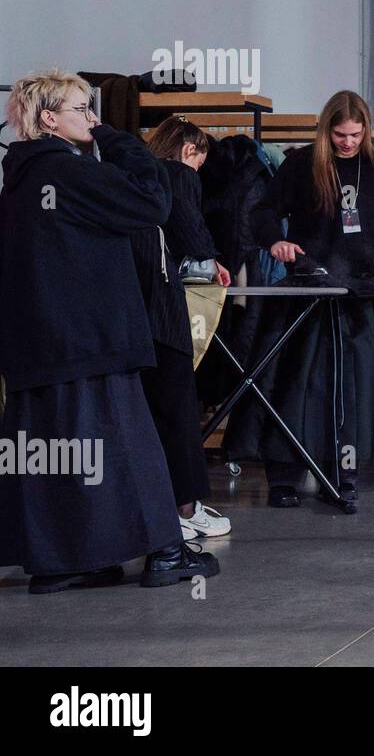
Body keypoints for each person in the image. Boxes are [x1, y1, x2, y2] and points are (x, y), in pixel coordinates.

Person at [0, 70, 219, 592]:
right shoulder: (67, 172)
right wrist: (118, 139)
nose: (91, 118)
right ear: (50, 118)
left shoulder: (20, 180)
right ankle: (165, 553)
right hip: (92, 341)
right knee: (128, 448)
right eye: (81, 109)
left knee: (56, 457)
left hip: (40, 349)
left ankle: (65, 560)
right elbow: (152, 202)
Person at [242, 90, 374, 510]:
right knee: (297, 385)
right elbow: (261, 211)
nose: (348, 143)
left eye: (355, 134)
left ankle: (343, 473)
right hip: (310, 287)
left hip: (358, 293)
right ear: (326, 130)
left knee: (351, 388)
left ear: (366, 129)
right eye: (339, 135)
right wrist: (276, 241)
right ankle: (283, 476)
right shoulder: (301, 165)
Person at [131, 115, 233, 540]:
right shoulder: (178, 175)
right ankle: (185, 509)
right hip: (164, 311)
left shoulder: (132, 174)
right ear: (189, 151)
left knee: (150, 416)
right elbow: (192, 234)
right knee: (179, 412)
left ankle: (158, 508)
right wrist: (211, 260)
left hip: (131, 313)